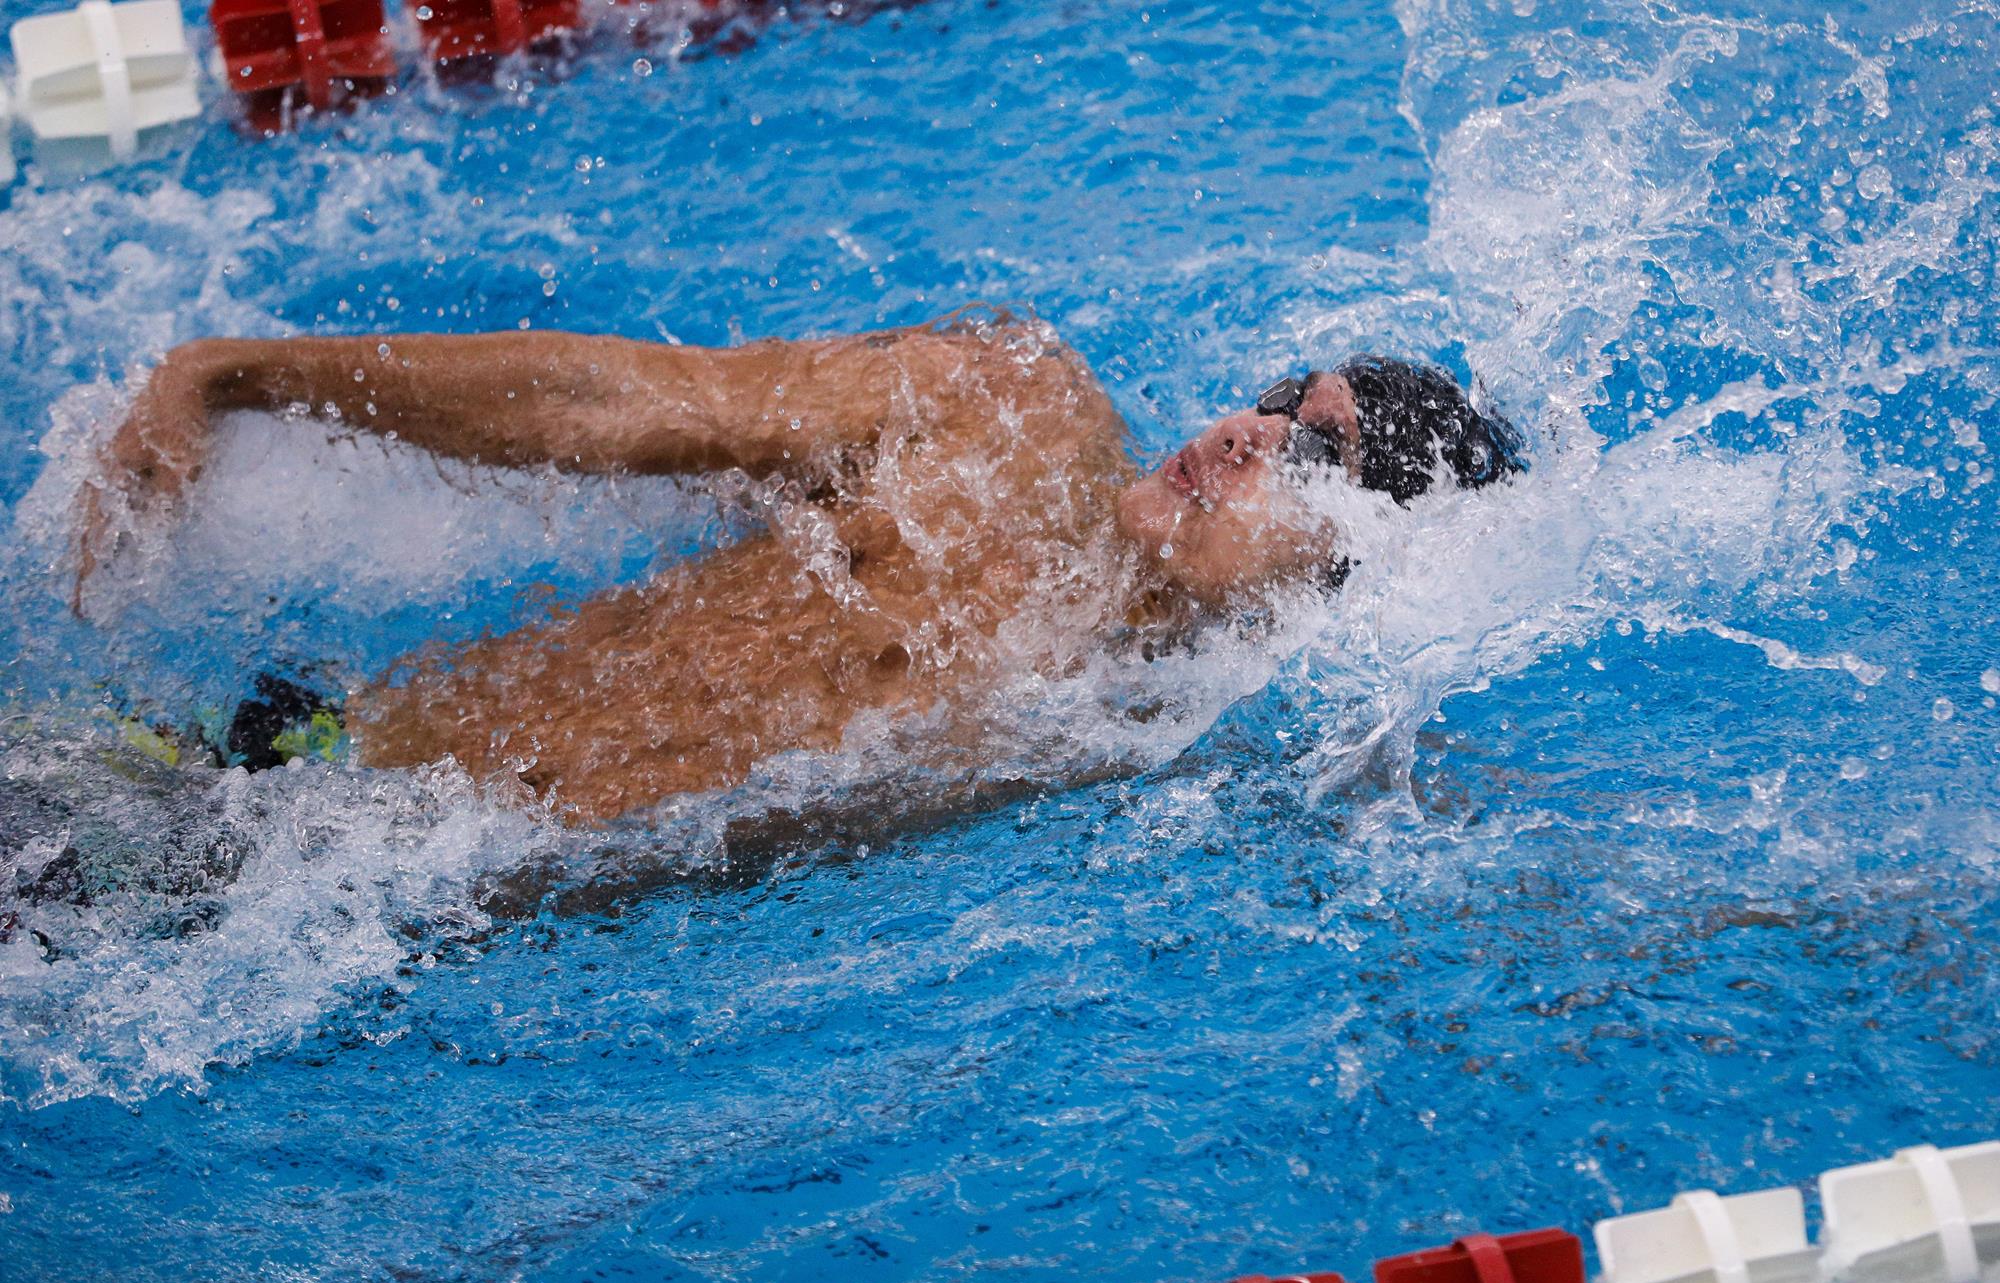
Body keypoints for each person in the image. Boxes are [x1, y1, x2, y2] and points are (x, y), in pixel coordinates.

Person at [74, 312, 1522, 825]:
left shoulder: (1176, 738)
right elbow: (627, 404)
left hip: (355, 948)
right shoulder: (1001, 417)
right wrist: (245, 373)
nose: (1247, 433)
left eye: (1314, 455)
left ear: (1362, 562)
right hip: (280, 780)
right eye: (1275, 402)